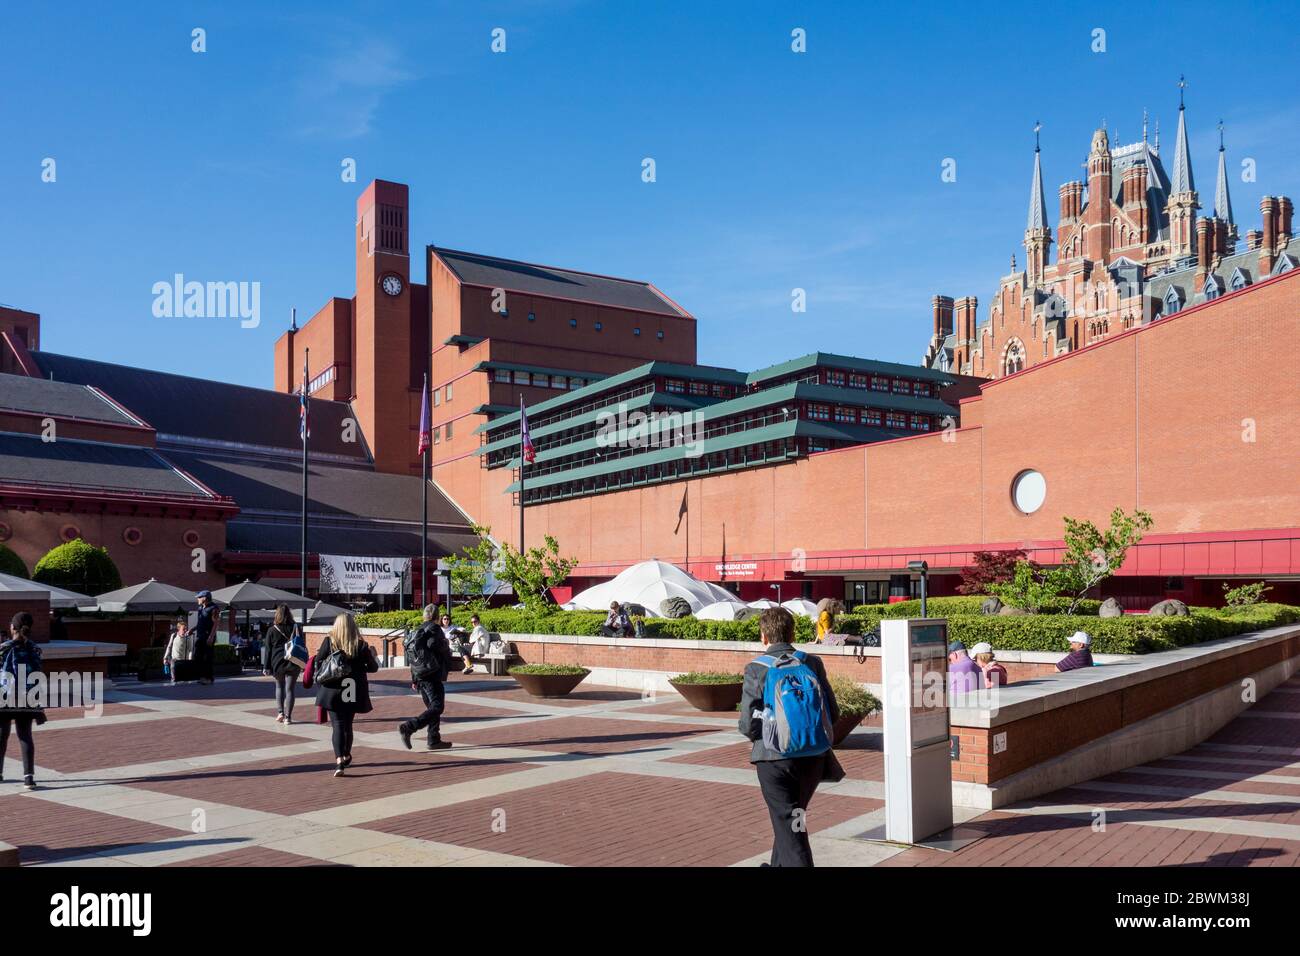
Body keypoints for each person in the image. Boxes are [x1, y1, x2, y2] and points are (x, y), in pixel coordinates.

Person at [738, 607, 843, 868]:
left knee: (790, 825)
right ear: (792, 632)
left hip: (775, 761)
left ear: (764, 636)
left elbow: (747, 724)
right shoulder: (811, 662)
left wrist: (767, 732)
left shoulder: (757, 668)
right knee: (791, 820)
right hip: (812, 759)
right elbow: (834, 711)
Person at [311, 613, 378, 776]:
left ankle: (339, 759)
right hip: (353, 690)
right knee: (348, 724)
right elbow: (373, 668)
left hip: (332, 691)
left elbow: (318, 662)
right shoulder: (361, 645)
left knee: (338, 725)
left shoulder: (329, 642)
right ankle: (346, 754)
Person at [398, 604, 455, 751]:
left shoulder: (418, 630)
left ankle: (433, 739)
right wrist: (445, 644)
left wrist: (414, 679)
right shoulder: (434, 629)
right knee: (437, 707)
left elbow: (414, 657)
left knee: (432, 708)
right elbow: (433, 644)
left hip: (420, 675)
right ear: (437, 617)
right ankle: (409, 727)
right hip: (431, 675)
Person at [1, 612, 45, 790]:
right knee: (25, 735)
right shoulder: (34, 648)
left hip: (5, 696)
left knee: (1, 735)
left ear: (13, 627)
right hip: (28, 696)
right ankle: (29, 778)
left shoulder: (4, 648)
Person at [261, 604, 303, 724]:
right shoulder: (296, 627)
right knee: (290, 689)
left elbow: (268, 649)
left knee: (279, 687)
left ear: (277, 614)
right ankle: (288, 717)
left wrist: (266, 667)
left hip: (277, 662)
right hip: (293, 661)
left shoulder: (272, 630)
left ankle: (280, 712)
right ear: (289, 614)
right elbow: (301, 644)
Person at [192, 590, 218, 685]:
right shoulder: (200, 608)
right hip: (200, 636)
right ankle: (202, 676)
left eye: (199, 597)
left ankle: (209, 678)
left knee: (208, 658)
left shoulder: (214, 608)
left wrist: (211, 637)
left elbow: (215, 623)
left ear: (205, 598)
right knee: (197, 656)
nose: (197, 599)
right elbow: (200, 623)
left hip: (208, 636)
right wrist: (192, 629)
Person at [162, 617, 193, 685]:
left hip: (184, 661)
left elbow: (190, 649)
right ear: (179, 629)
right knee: (174, 679)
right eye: (183, 629)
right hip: (175, 660)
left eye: (186, 629)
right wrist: (165, 658)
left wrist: (190, 660)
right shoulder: (174, 636)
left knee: (184, 680)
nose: (185, 630)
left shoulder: (188, 637)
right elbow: (169, 647)